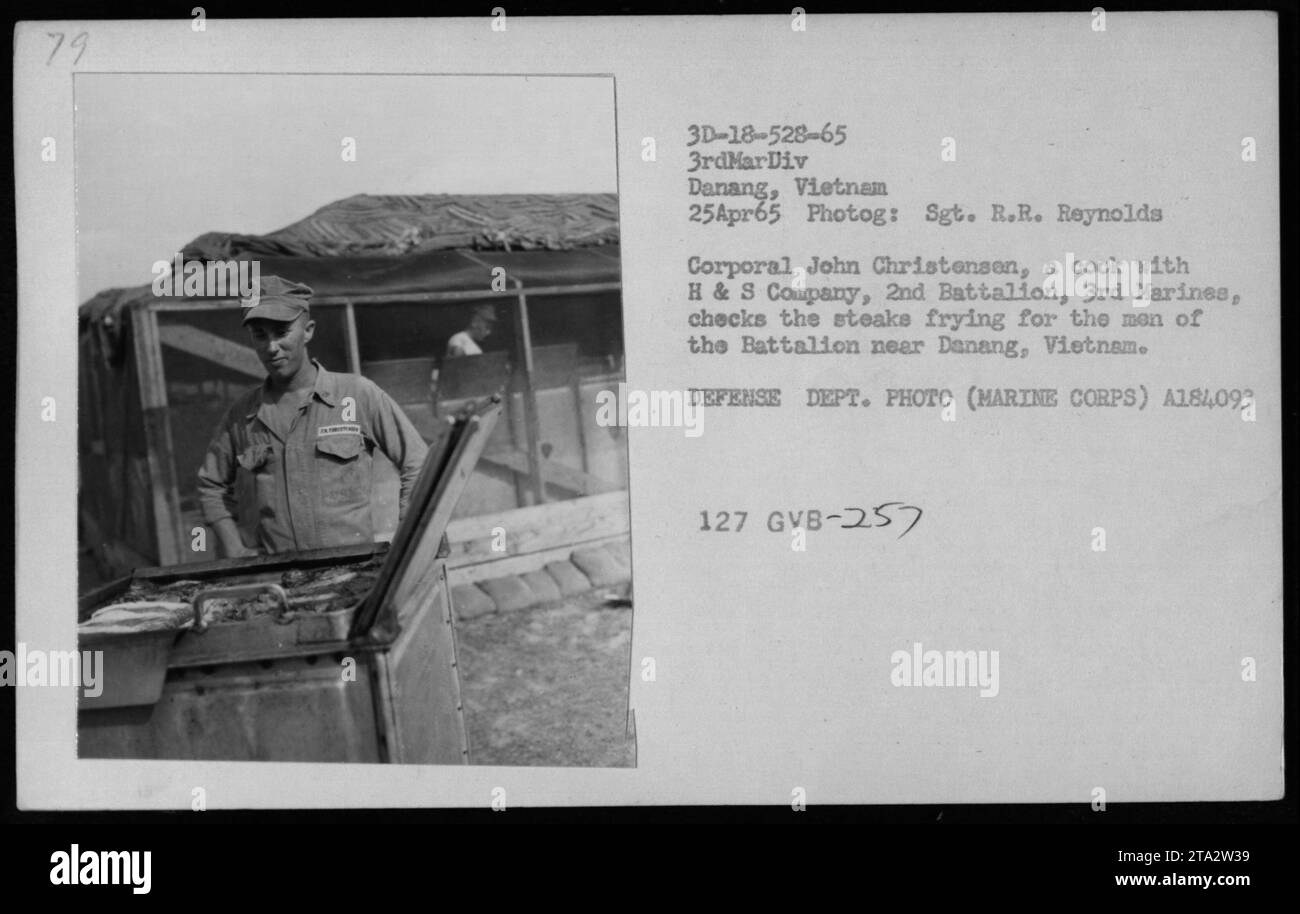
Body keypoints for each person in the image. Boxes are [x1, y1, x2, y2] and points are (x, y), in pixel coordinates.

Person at [197, 276, 428, 557]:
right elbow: (210, 485)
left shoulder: (356, 394)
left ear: (308, 331)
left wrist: (409, 537)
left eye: (281, 332)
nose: (271, 347)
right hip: (280, 576)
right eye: (260, 335)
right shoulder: (243, 415)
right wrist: (233, 546)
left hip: (353, 571)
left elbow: (417, 462)